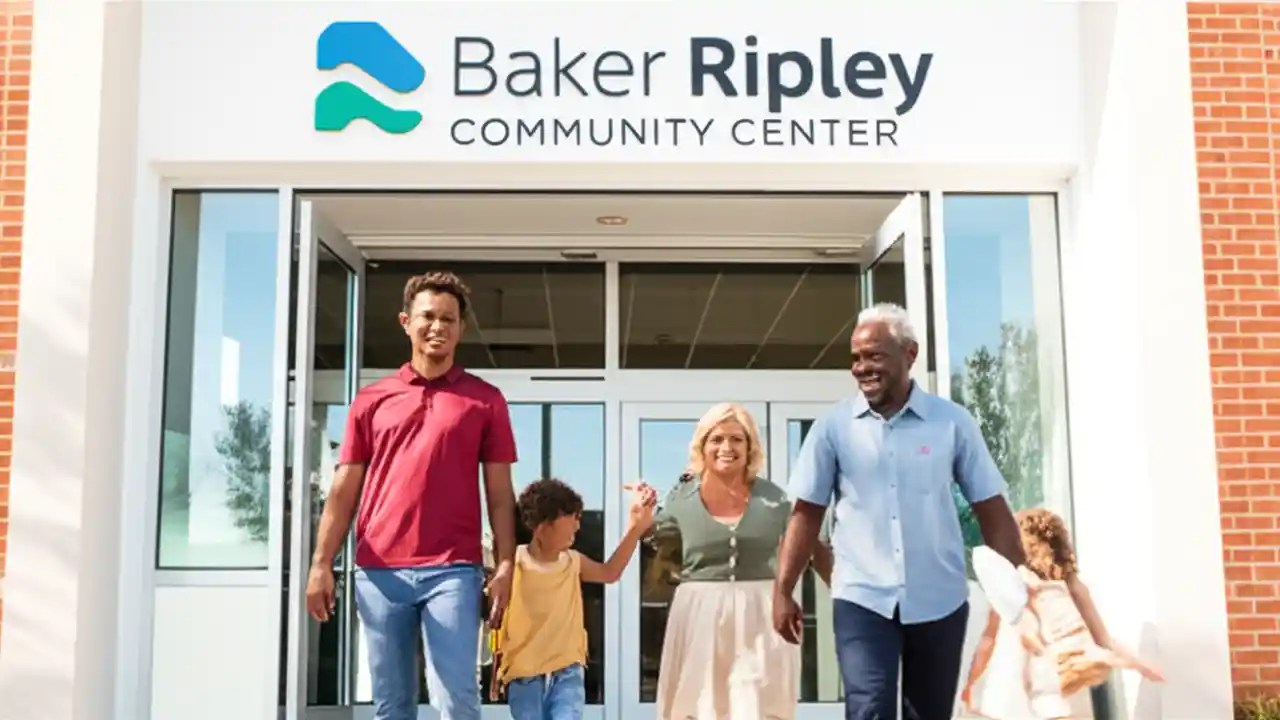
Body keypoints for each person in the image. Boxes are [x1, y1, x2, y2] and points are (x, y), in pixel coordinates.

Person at [772, 302, 1041, 720]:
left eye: (874, 355)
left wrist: (1023, 591)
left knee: (928, 714)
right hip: (861, 596)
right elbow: (806, 512)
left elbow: (991, 509)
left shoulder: (952, 423)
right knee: (869, 709)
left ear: (909, 354)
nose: (862, 367)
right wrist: (783, 589)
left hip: (939, 598)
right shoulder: (833, 428)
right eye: (856, 358)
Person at [305, 271, 518, 720]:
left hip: (453, 572)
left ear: (460, 328)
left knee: (457, 700)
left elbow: (500, 494)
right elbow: (344, 491)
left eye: (449, 318)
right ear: (406, 322)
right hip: (380, 573)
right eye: (428, 316)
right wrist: (321, 563)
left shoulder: (485, 401)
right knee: (392, 704)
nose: (437, 326)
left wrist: (504, 564)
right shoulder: (372, 399)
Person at [651, 402, 833, 720]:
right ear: (702, 446)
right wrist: (640, 519)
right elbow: (661, 550)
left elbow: (809, 545)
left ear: (750, 448)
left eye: (737, 439)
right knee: (700, 704)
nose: (727, 447)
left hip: (761, 611)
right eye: (717, 439)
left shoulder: (774, 498)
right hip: (700, 612)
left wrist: (851, 596)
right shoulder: (680, 498)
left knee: (757, 704)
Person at [961, 509, 1163, 720]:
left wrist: (969, 683)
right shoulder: (1072, 586)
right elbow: (1104, 640)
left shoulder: (1016, 587)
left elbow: (988, 641)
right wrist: (1139, 665)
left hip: (1044, 685)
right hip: (1072, 679)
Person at [489, 478, 658, 719]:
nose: (578, 527)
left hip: (567, 671)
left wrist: (636, 527)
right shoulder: (513, 563)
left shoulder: (573, 561)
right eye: (573, 518)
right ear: (542, 525)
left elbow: (610, 572)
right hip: (524, 677)